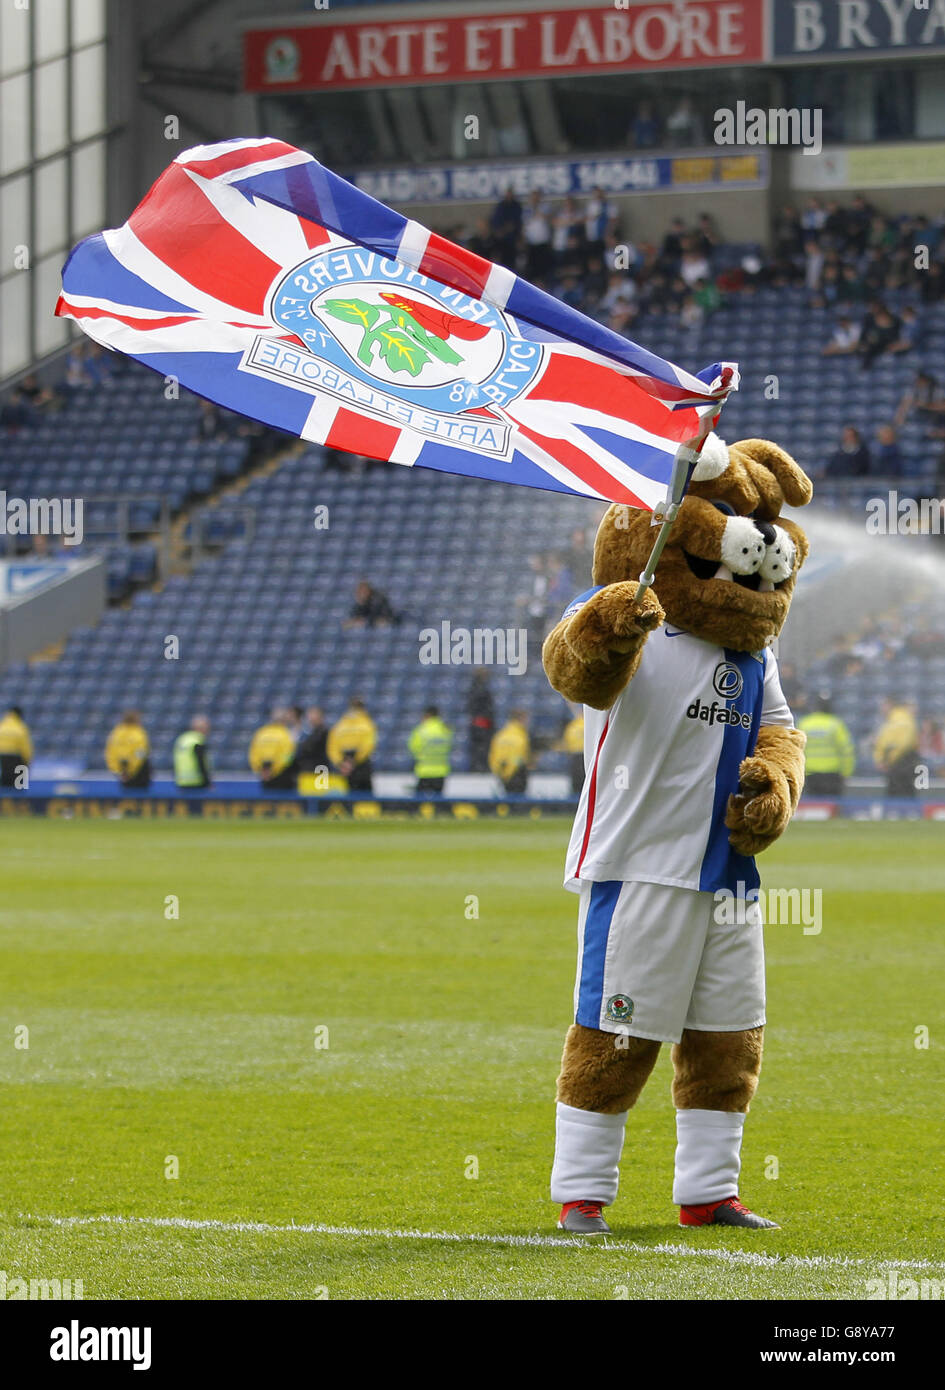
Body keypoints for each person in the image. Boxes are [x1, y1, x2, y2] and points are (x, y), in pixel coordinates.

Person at [797, 694, 855, 796]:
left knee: (815, 808)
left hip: (810, 774)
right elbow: (847, 750)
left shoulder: (804, 724)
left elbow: (797, 750)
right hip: (832, 774)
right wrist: (847, 772)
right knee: (833, 807)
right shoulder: (836, 724)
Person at [327, 697, 377, 792]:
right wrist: (354, 761)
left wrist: (341, 763)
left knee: (348, 797)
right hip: (361, 765)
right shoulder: (367, 724)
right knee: (365, 797)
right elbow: (368, 745)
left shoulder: (340, 724)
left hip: (344, 765)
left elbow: (332, 747)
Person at [873, 699, 919, 798]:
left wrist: (885, 760)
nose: (881, 709)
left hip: (900, 763)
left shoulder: (899, 720)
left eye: (884, 706)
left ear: (890, 705)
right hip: (901, 762)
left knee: (899, 794)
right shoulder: (898, 719)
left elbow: (900, 744)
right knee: (903, 793)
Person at [408, 705, 454, 795]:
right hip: (441, 771)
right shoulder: (446, 729)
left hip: (424, 771)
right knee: (438, 802)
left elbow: (413, 748)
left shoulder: (421, 730)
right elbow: (449, 747)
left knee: (420, 801)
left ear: (427, 715)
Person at [248, 707, 297, 791]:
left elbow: (252, 755)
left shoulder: (261, 733)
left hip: (264, 775)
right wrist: (274, 770)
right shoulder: (286, 734)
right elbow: (289, 756)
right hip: (282, 777)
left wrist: (261, 770)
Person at [105, 710, 151, 789]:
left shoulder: (116, 734)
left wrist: (119, 772)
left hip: (122, 771)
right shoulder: (138, 734)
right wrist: (131, 772)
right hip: (138, 772)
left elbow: (110, 754)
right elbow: (140, 754)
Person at [489, 709, 530, 795]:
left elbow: (493, 756)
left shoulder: (500, 735)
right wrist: (511, 772)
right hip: (517, 775)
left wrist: (501, 773)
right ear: (521, 719)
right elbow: (521, 758)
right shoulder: (521, 736)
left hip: (502, 774)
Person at [173, 715, 212, 789]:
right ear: (201, 728)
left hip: (182, 782)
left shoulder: (182, 739)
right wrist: (208, 783)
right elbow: (201, 763)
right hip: (197, 783)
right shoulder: (197, 740)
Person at [467, 669, 494, 772]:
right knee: (482, 748)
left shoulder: (472, 689)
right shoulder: (482, 690)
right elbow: (486, 708)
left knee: (477, 748)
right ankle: (481, 767)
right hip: (483, 723)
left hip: (476, 723)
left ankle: (476, 767)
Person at [0, 705, 32, 788]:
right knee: (18, 784)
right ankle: (18, 799)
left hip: (2, 758)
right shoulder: (20, 727)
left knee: (4, 783)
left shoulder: (2, 726)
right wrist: (27, 761)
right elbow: (26, 748)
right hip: (15, 759)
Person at [295, 706, 329, 775]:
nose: (309, 717)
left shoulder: (323, 731)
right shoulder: (312, 731)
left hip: (319, 768)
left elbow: (308, 748)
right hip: (311, 768)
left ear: (320, 716)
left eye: (312, 714)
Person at [561, 707, 585, 797]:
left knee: (576, 783)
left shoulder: (572, 726)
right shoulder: (590, 724)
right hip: (586, 756)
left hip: (575, 756)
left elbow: (566, 744)